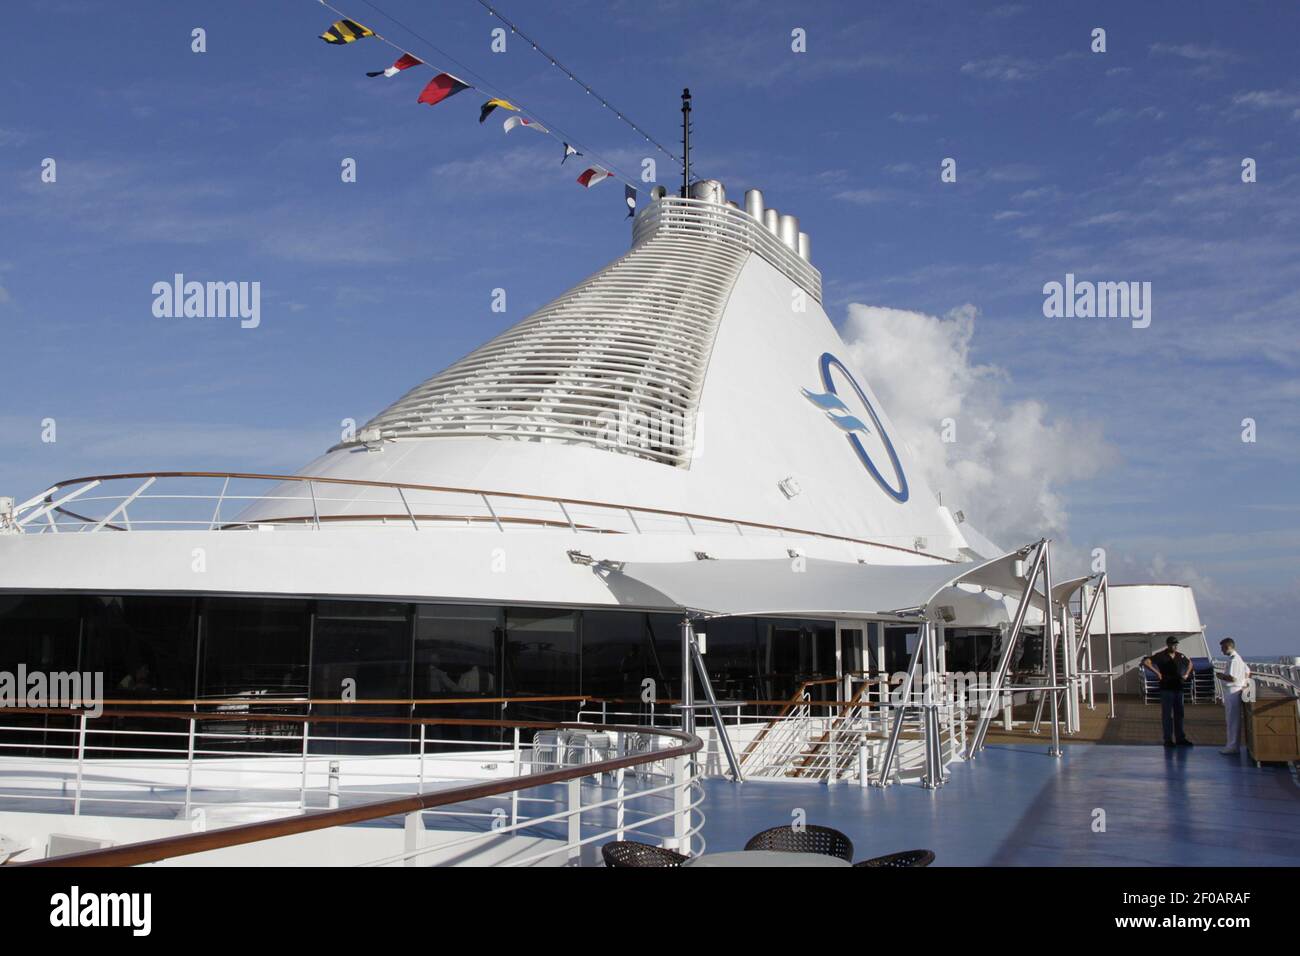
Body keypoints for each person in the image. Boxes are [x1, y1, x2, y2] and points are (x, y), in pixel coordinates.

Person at [1142, 637, 1193, 747]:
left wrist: (1187, 674)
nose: (1175, 646)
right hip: (1166, 688)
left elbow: (1190, 663)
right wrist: (1157, 673)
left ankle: (1180, 738)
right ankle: (1168, 739)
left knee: (1179, 714)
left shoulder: (1180, 656)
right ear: (1168, 645)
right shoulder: (1160, 656)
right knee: (1167, 715)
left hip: (1178, 688)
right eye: (1173, 644)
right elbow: (1146, 662)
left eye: (1176, 644)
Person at [1214, 637, 1251, 755]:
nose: (1221, 650)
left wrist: (1220, 676)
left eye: (1222, 648)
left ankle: (1232, 746)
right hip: (1237, 690)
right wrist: (1244, 682)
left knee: (1232, 720)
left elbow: (1232, 678)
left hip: (1232, 691)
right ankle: (1232, 745)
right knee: (1233, 719)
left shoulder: (1234, 660)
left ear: (1227, 647)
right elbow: (1247, 671)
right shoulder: (1238, 658)